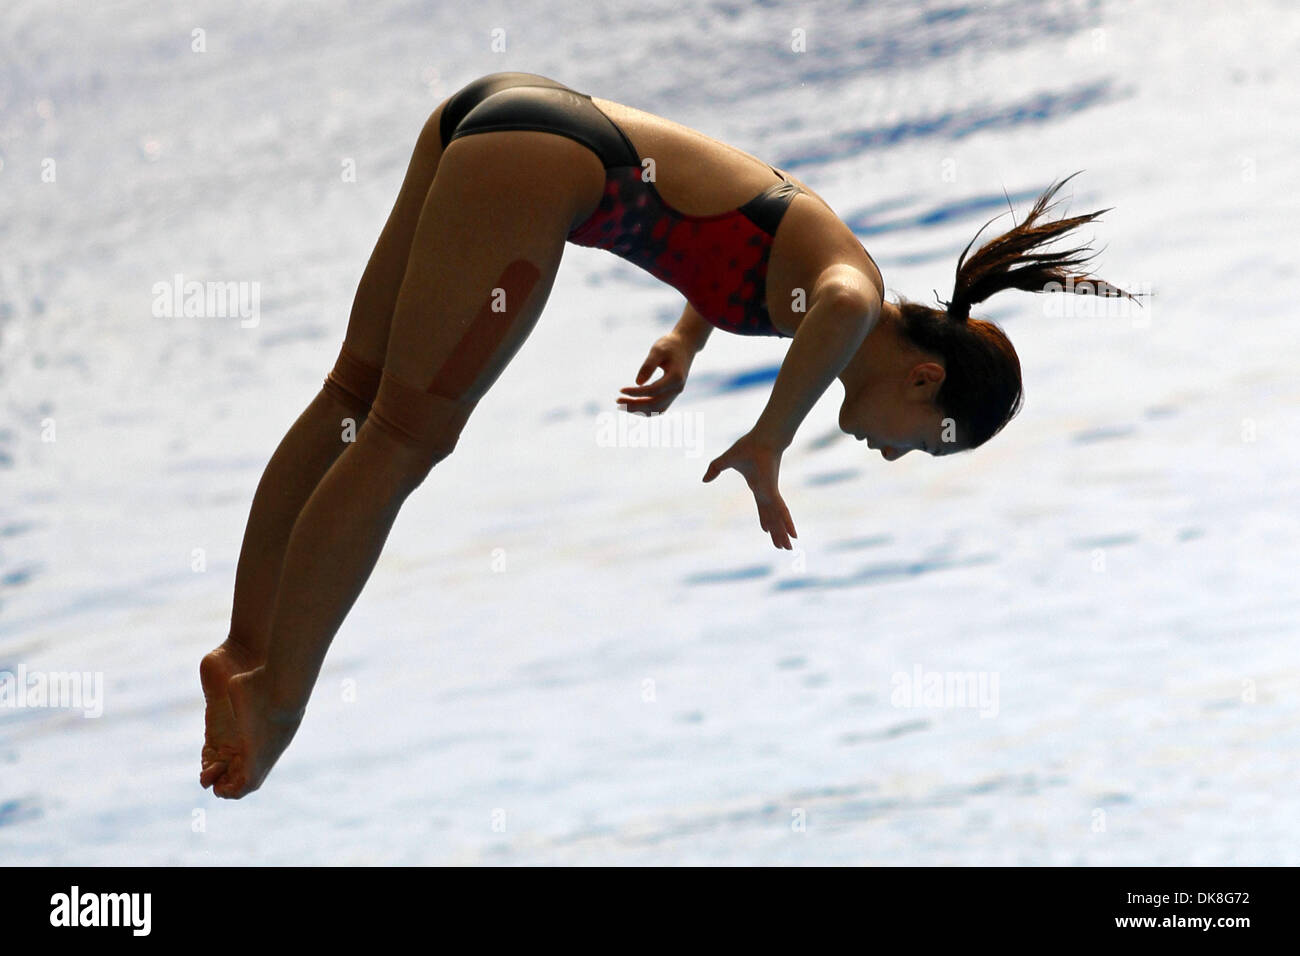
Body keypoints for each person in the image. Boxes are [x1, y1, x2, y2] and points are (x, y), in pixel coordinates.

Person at [200, 72, 1136, 799]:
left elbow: (741, 241)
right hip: (541, 169)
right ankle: (279, 697)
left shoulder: (824, 285)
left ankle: (245, 651)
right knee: (403, 438)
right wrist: (769, 442)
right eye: (922, 441)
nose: (893, 454)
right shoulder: (852, 292)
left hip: (494, 117)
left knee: (353, 397)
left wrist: (688, 341)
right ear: (925, 379)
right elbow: (841, 305)